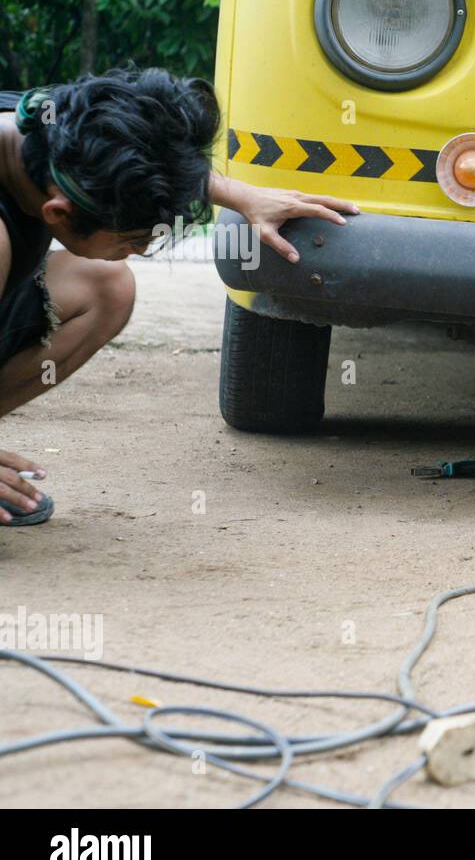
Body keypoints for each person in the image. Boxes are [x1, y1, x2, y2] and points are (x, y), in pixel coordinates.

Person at [0, 68, 359, 526]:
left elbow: (134, 151)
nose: (141, 250)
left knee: (107, 286)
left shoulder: (43, 124)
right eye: (132, 239)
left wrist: (244, 196)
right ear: (59, 213)